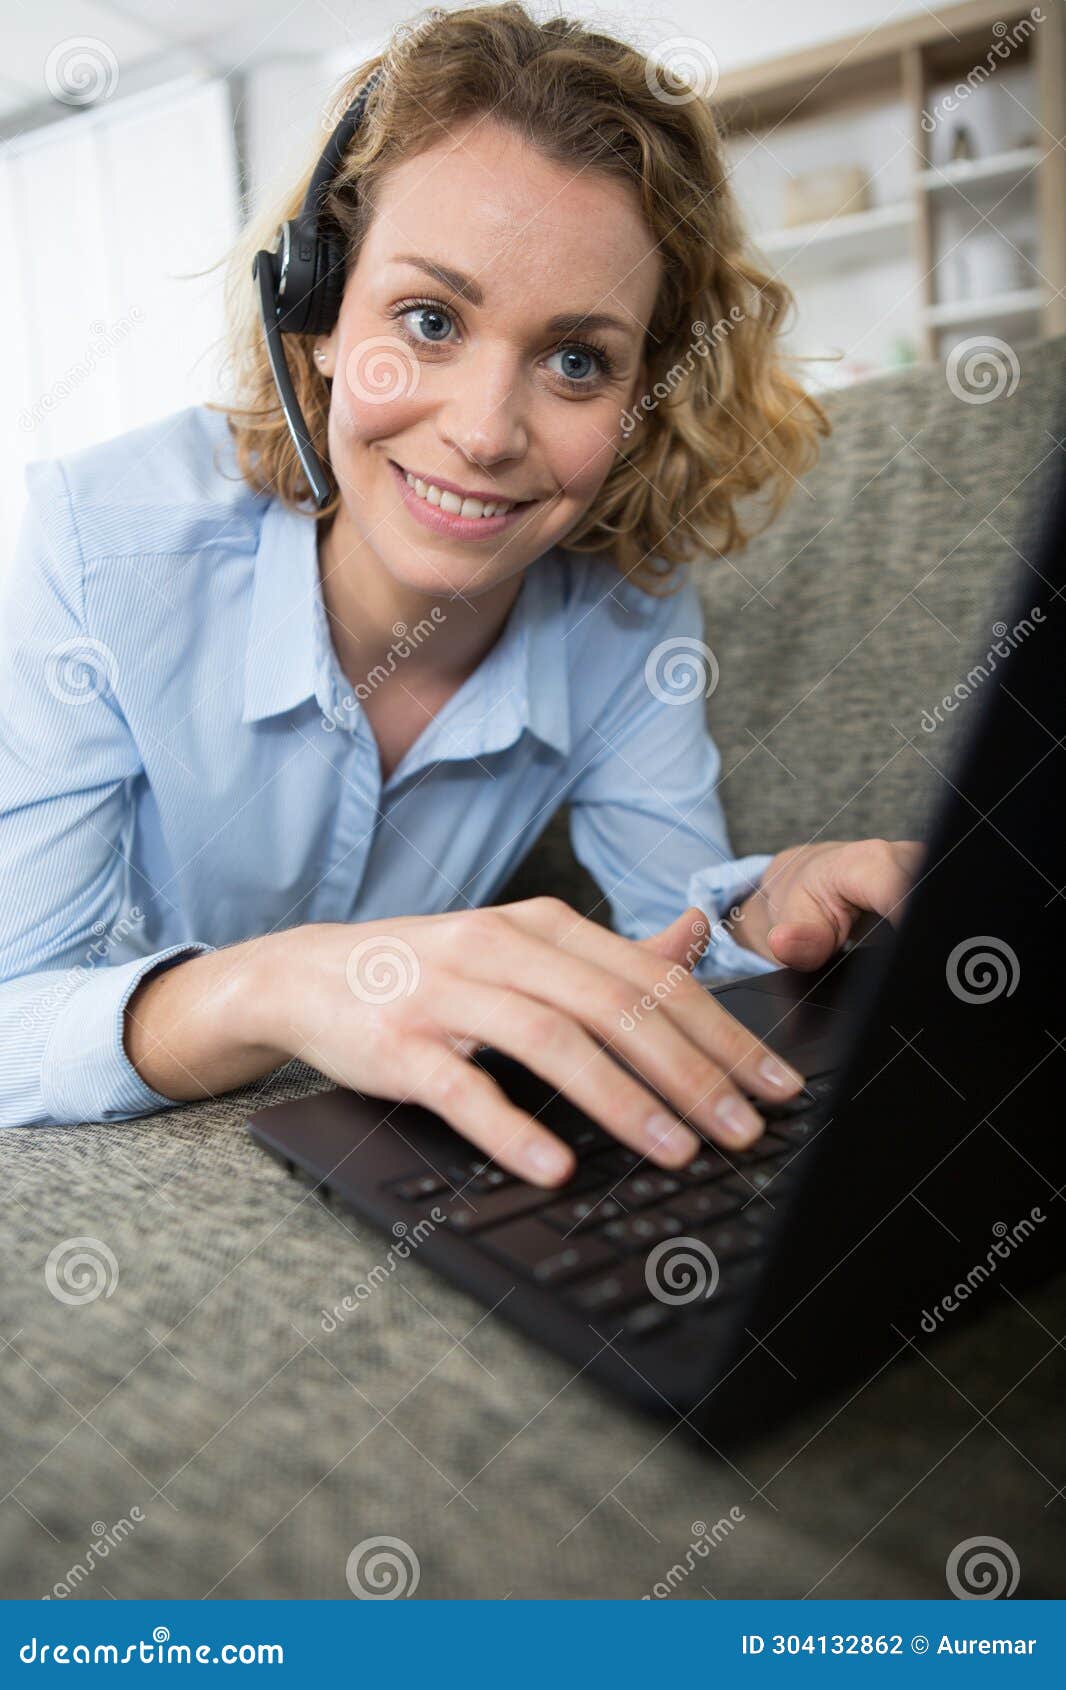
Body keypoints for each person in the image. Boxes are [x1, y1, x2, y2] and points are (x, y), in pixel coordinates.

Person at [0, 4, 920, 1178]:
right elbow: (13, 1019)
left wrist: (763, 920)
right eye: (428, 320)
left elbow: (658, 951)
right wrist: (274, 984)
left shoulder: (620, 611)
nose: (485, 435)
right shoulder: (103, 541)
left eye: (577, 360)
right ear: (319, 312)